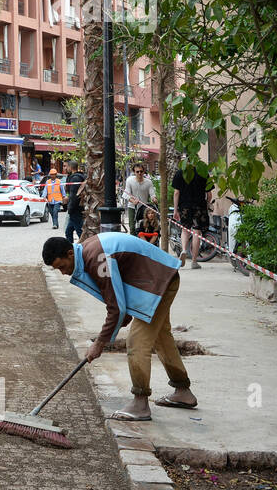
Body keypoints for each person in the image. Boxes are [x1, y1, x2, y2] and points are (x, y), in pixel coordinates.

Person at [43, 233, 196, 421]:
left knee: (136, 342)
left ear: (69, 253)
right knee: (160, 337)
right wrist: (114, 326)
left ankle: (140, 402)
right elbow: (119, 305)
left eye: (62, 267)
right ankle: (183, 391)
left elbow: (116, 308)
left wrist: (100, 343)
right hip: (160, 279)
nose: (63, 273)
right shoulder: (88, 253)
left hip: (158, 282)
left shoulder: (97, 259)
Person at [171, 160, 213, 268]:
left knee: (185, 230)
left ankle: (184, 250)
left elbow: (176, 193)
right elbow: (209, 194)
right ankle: (194, 261)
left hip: (184, 206)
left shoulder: (180, 173)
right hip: (199, 206)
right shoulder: (203, 173)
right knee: (196, 232)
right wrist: (207, 205)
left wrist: (175, 210)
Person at [123, 162, 156, 234]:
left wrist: (154, 199)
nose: (139, 173)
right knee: (132, 227)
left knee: (145, 227)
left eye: (141, 171)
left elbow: (152, 194)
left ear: (144, 172)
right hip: (132, 207)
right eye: (137, 171)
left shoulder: (148, 182)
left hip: (144, 208)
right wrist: (132, 201)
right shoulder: (129, 180)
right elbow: (125, 194)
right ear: (134, 172)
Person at [64, 160, 86, 243]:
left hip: (76, 210)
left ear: (70, 167)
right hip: (76, 209)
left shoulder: (75, 178)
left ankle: (82, 249)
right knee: (68, 232)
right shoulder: (76, 177)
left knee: (80, 232)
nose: (65, 168)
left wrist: (70, 208)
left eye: (66, 166)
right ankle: (71, 249)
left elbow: (74, 196)